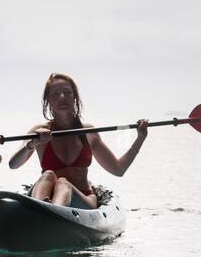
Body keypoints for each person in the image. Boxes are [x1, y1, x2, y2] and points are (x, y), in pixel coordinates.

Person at [9, 73, 147, 208]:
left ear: (75, 97)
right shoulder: (38, 131)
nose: (62, 97)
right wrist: (32, 144)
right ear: (48, 100)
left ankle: (52, 212)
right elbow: (13, 164)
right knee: (48, 175)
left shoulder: (89, 133)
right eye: (56, 93)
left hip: (83, 198)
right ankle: (41, 210)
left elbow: (118, 170)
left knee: (63, 182)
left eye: (67, 92)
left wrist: (140, 138)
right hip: (46, 198)